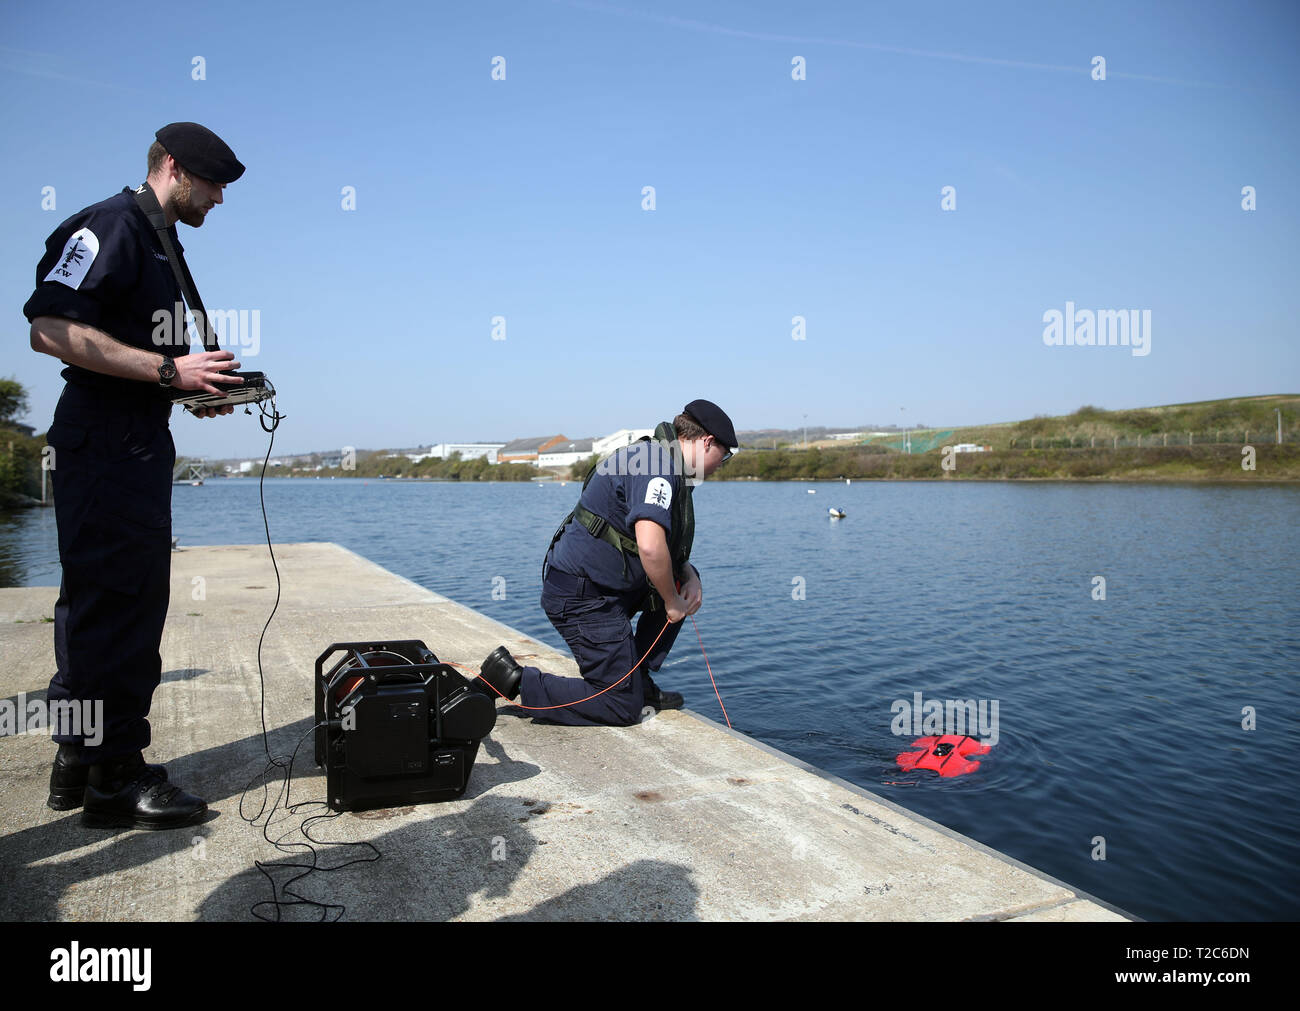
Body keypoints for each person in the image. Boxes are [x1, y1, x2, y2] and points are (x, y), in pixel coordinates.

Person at [25, 122, 247, 829]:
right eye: (213, 182)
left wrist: (184, 390)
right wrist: (165, 370)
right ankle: (115, 776)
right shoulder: (111, 224)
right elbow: (51, 329)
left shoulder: (156, 239)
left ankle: (80, 757)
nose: (218, 198)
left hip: (128, 436)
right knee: (120, 606)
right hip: (107, 442)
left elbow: (137, 359)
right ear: (174, 169)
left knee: (99, 602)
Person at [476, 400, 737, 726]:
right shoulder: (656, 467)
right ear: (707, 441)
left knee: (682, 582)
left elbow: (669, 552)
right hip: (582, 596)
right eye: (722, 456)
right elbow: (651, 548)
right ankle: (513, 681)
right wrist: (671, 601)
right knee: (620, 706)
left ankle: (638, 682)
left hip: (606, 588)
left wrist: (688, 575)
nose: (719, 466)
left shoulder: (657, 457)